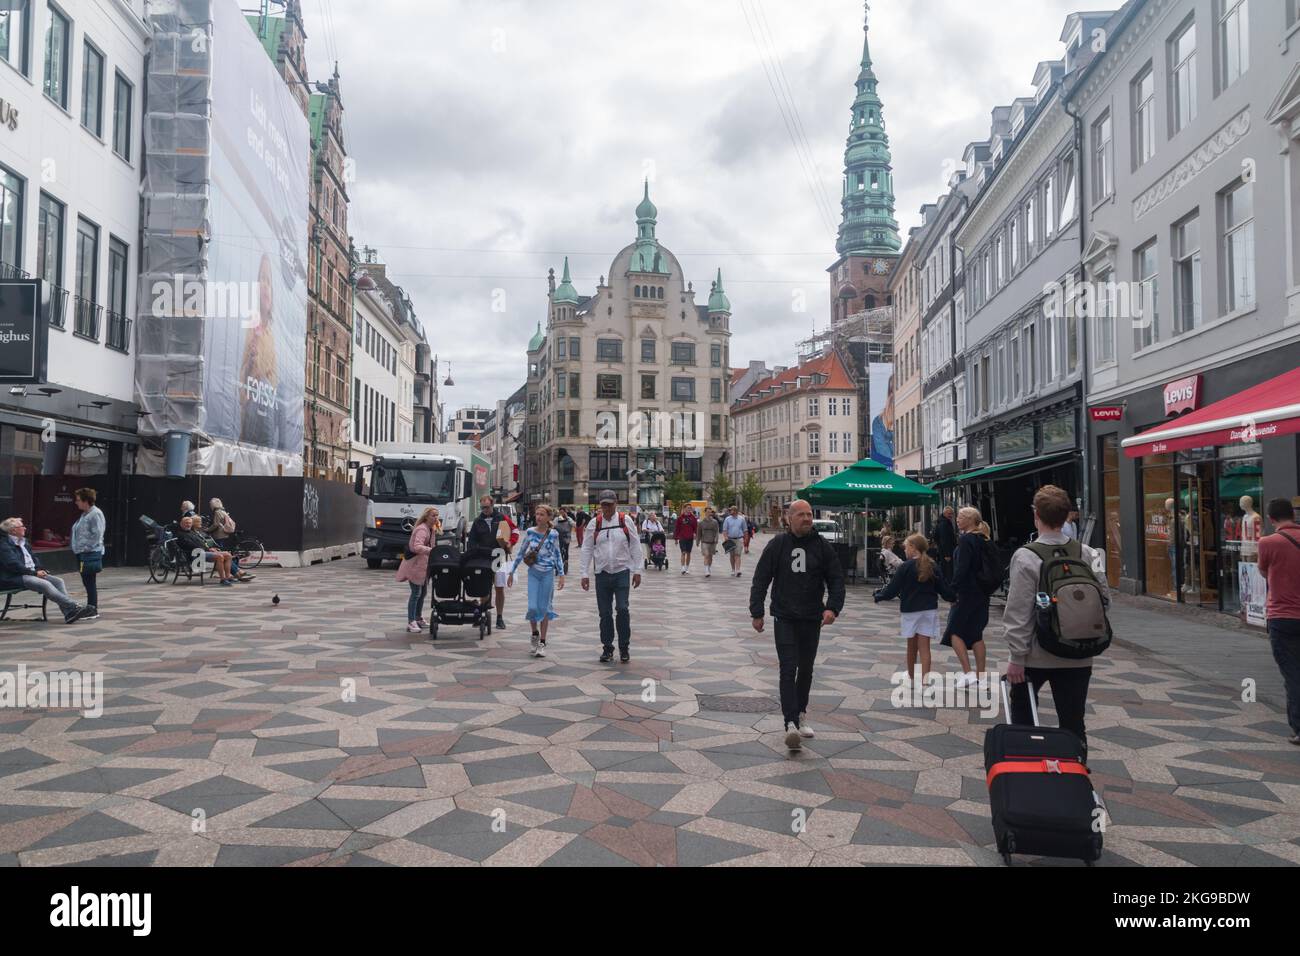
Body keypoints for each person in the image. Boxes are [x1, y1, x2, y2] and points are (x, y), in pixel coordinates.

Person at [1004, 486, 1108, 760]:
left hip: (1035, 655)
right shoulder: (1087, 553)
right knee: (1073, 723)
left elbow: (1018, 611)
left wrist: (1016, 655)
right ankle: (1076, 777)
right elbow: (1105, 598)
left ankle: (1027, 772)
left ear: (1035, 515)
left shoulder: (1026, 555)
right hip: (1078, 653)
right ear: (1066, 517)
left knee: (1025, 721)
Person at [750, 499, 845, 752]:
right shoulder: (777, 545)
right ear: (788, 518)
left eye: (809, 514)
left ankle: (801, 714)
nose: (807, 518)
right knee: (787, 667)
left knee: (806, 669)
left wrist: (832, 607)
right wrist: (756, 612)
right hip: (785, 616)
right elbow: (761, 578)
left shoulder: (822, 547)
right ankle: (790, 723)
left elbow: (836, 579)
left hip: (812, 617)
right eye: (801, 514)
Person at [874, 532, 956, 685]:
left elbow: (893, 589)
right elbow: (943, 588)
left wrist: (879, 596)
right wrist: (953, 598)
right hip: (929, 610)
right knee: (925, 647)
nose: (904, 550)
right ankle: (925, 681)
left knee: (911, 647)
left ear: (912, 548)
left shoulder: (905, 567)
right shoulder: (932, 565)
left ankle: (911, 678)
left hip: (910, 611)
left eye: (906, 547)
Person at [580, 490, 642, 663]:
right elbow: (587, 548)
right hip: (602, 573)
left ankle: (624, 647)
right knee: (605, 613)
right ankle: (607, 648)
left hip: (622, 571)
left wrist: (638, 570)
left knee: (622, 609)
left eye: (610, 504)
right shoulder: (594, 523)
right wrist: (584, 573)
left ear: (616, 503)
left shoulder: (625, 520)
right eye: (604, 505)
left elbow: (635, 545)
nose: (606, 508)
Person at [1258, 498, 1300, 746]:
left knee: (1292, 673)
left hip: (1282, 616)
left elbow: (1263, 572)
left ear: (1271, 518)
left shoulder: (1267, 543)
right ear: (1292, 515)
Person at [0, 517, 91, 623]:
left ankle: (69, 613)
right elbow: (13, 565)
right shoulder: (4, 545)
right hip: (12, 577)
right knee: (45, 584)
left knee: (58, 581)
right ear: (13, 530)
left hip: (30, 573)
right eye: (22, 526)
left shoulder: (24, 542)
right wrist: (34, 573)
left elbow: (34, 558)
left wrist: (40, 569)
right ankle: (74, 606)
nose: (25, 528)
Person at [508, 503, 565, 657]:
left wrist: (561, 574)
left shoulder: (553, 534)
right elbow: (521, 552)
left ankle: (542, 642)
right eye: (537, 514)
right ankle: (534, 634)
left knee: (545, 608)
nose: (538, 517)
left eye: (541, 515)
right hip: (533, 573)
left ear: (548, 518)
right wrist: (512, 571)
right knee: (533, 607)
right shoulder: (530, 532)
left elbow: (557, 554)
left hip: (547, 573)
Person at [942, 506, 991, 688]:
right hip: (982, 593)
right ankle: (981, 676)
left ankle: (968, 673)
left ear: (970, 519)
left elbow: (962, 569)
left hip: (965, 593)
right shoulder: (984, 539)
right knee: (976, 633)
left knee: (954, 632)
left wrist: (951, 590)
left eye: (961, 516)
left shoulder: (966, 540)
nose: (957, 519)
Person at [467, 495, 512, 629]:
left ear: (492, 505)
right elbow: (472, 540)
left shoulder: (502, 519)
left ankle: (499, 617)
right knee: (484, 587)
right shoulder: (477, 521)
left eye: (486, 507)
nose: (484, 510)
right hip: (483, 557)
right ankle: (482, 614)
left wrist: (509, 544)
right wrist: (474, 552)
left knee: (499, 587)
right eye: (482, 508)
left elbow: (510, 534)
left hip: (498, 555)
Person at [395, 506, 440, 633]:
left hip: (423, 566)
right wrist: (432, 551)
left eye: (437, 515)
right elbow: (416, 546)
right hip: (415, 565)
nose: (436, 517)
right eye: (433, 515)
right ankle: (411, 621)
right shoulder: (422, 529)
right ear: (426, 516)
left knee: (423, 593)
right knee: (416, 593)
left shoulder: (431, 529)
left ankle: (418, 617)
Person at [70, 488, 105, 619]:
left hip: (89, 553)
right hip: (82, 552)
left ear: (86, 501)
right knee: (87, 581)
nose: (76, 502)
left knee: (89, 581)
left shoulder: (95, 514)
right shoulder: (85, 514)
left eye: (78, 500)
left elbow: (98, 534)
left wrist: (86, 547)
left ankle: (92, 608)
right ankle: (91, 607)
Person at [176, 516, 238, 585]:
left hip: (202, 552)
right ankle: (223, 579)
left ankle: (228, 577)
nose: (188, 525)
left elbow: (201, 543)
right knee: (219, 556)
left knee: (228, 555)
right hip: (194, 555)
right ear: (181, 524)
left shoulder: (191, 532)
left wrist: (209, 549)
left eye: (190, 523)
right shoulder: (181, 534)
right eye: (186, 523)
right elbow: (192, 546)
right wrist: (207, 549)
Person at [207, 497, 252, 581]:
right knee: (223, 554)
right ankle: (235, 572)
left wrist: (207, 530)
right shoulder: (223, 511)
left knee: (221, 553)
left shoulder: (217, 512)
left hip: (219, 535)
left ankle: (228, 573)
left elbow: (216, 524)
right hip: (225, 534)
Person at [933, 506, 958, 581]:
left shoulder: (943, 522)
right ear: (944, 513)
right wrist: (947, 554)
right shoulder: (944, 524)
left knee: (946, 571)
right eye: (949, 514)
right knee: (948, 572)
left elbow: (937, 538)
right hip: (947, 553)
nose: (951, 515)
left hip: (944, 551)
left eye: (952, 514)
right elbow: (944, 540)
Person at [722, 505, 748, 577]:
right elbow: (724, 530)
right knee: (732, 555)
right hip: (730, 539)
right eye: (730, 510)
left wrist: (745, 539)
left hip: (739, 539)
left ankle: (738, 570)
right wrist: (726, 537)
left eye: (732, 510)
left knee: (738, 554)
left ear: (735, 511)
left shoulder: (741, 519)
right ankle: (733, 569)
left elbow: (745, 529)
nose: (730, 511)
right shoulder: (727, 519)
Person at [697, 507, 721, 577]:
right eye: (707, 512)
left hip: (712, 541)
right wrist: (697, 541)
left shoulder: (715, 522)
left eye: (710, 512)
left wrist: (716, 539)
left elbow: (717, 531)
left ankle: (709, 567)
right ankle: (706, 569)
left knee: (710, 556)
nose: (709, 513)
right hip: (704, 541)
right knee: (706, 555)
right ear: (705, 512)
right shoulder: (701, 522)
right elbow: (698, 532)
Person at [675, 505, 698, 574]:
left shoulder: (693, 518)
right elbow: (677, 528)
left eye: (690, 508)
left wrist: (695, 534)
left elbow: (695, 528)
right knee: (683, 552)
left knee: (688, 553)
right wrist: (676, 538)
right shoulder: (680, 518)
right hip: (682, 537)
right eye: (688, 508)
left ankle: (687, 567)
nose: (689, 509)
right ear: (684, 509)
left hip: (690, 538)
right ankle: (682, 568)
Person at [554, 507, 574, 574]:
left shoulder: (569, 519)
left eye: (563, 512)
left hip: (566, 537)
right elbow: (553, 525)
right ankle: (557, 566)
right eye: (560, 512)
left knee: (565, 551)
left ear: (565, 512)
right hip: (558, 537)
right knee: (558, 551)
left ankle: (565, 564)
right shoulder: (557, 519)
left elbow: (574, 524)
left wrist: (567, 518)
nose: (561, 514)